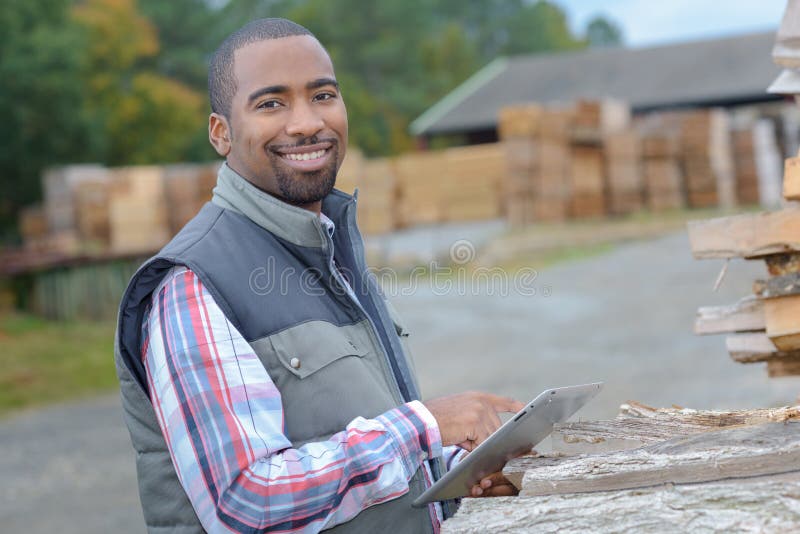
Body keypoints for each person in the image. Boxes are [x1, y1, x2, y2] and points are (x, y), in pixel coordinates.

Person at [114, 18, 523, 533]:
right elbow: (245, 502)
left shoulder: (332, 249)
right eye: (271, 103)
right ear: (221, 133)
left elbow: (350, 444)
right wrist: (423, 426)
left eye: (323, 95)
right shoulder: (193, 285)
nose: (306, 122)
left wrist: (455, 475)